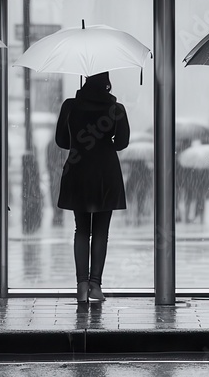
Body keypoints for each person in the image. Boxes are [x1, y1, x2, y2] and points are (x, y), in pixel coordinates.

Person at [54, 71, 130, 303]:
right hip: (105, 172)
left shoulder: (70, 105)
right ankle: (95, 285)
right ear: (106, 82)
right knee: (101, 230)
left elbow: (61, 140)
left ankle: (81, 285)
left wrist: (79, 140)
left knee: (81, 229)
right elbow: (123, 142)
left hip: (78, 169)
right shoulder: (116, 108)